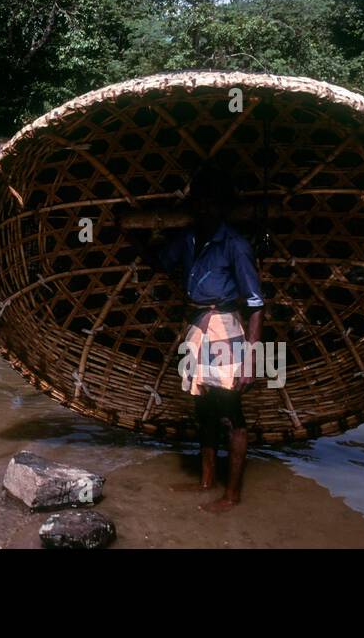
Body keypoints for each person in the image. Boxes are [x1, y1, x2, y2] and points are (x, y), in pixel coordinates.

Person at [118, 165, 265, 513]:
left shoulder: (235, 245)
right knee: (204, 410)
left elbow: (257, 306)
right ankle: (205, 481)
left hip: (226, 328)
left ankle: (232, 496)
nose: (203, 209)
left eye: (211, 203)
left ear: (221, 206)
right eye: (198, 202)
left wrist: (250, 358)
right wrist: (133, 236)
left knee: (232, 414)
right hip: (197, 328)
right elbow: (160, 264)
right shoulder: (187, 239)